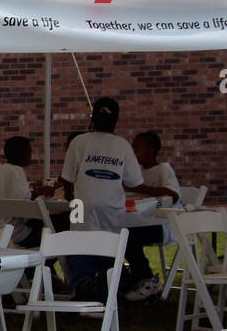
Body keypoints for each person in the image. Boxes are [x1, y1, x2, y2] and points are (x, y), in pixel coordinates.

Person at [59, 97, 146, 294]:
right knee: (110, 245)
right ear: (116, 120)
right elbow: (134, 181)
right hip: (111, 206)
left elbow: (67, 176)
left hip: (81, 205)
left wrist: (69, 195)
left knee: (79, 242)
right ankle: (109, 287)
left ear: (92, 118)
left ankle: (83, 281)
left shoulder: (79, 142)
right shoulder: (122, 145)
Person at [122, 131, 181, 301]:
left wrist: (140, 188)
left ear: (151, 149)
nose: (133, 152)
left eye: (137, 147)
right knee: (117, 232)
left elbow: (173, 195)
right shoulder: (137, 171)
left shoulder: (163, 170)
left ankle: (147, 278)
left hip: (162, 226)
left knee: (128, 236)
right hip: (139, 221)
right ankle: (131, 278)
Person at [0, 136, 55, 246]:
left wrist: (36, 192)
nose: (31, 155)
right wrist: (41, 193)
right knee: (57, 226)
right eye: (29, 151)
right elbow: (26, 204)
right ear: (22, 154)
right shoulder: (16, 171)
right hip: (12, 234)